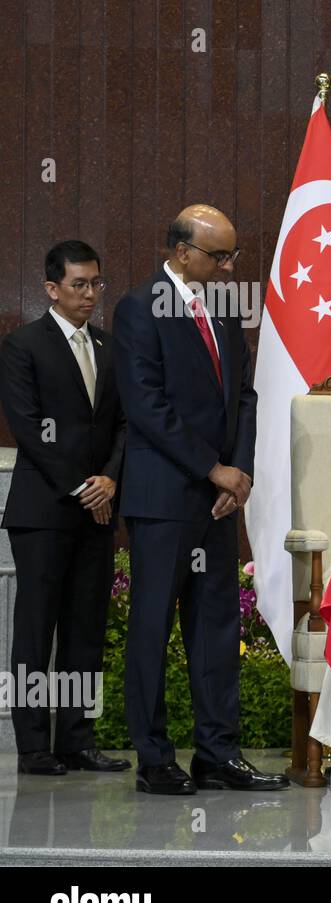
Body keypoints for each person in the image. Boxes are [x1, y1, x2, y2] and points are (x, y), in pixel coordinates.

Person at [113, 204, 287, 794]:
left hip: (218, 499)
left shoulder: (222, 307)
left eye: (234, 255)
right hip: (165, 497)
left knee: (216, 626)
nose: (231, 265)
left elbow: (243, 395)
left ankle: (217, 753)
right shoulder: (139, 308)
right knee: (154, 625)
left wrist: (237, 471)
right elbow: (145, 405)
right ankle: (155, 758)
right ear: (182, 251)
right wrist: (212, 467)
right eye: (221, 256)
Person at [0, 240, 130, 775]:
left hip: (99, 510)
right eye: (79, 285)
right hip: (44, 510)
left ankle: (77, 739)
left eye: (96, 283)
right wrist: (83, 486)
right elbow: (28, 428)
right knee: (37, 628)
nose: (90, 295)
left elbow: (124, 424)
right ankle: (33, 746)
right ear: (51, 288)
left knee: (85, 626)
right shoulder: (22, 344)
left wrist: (110, 480)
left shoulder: (109, 345)